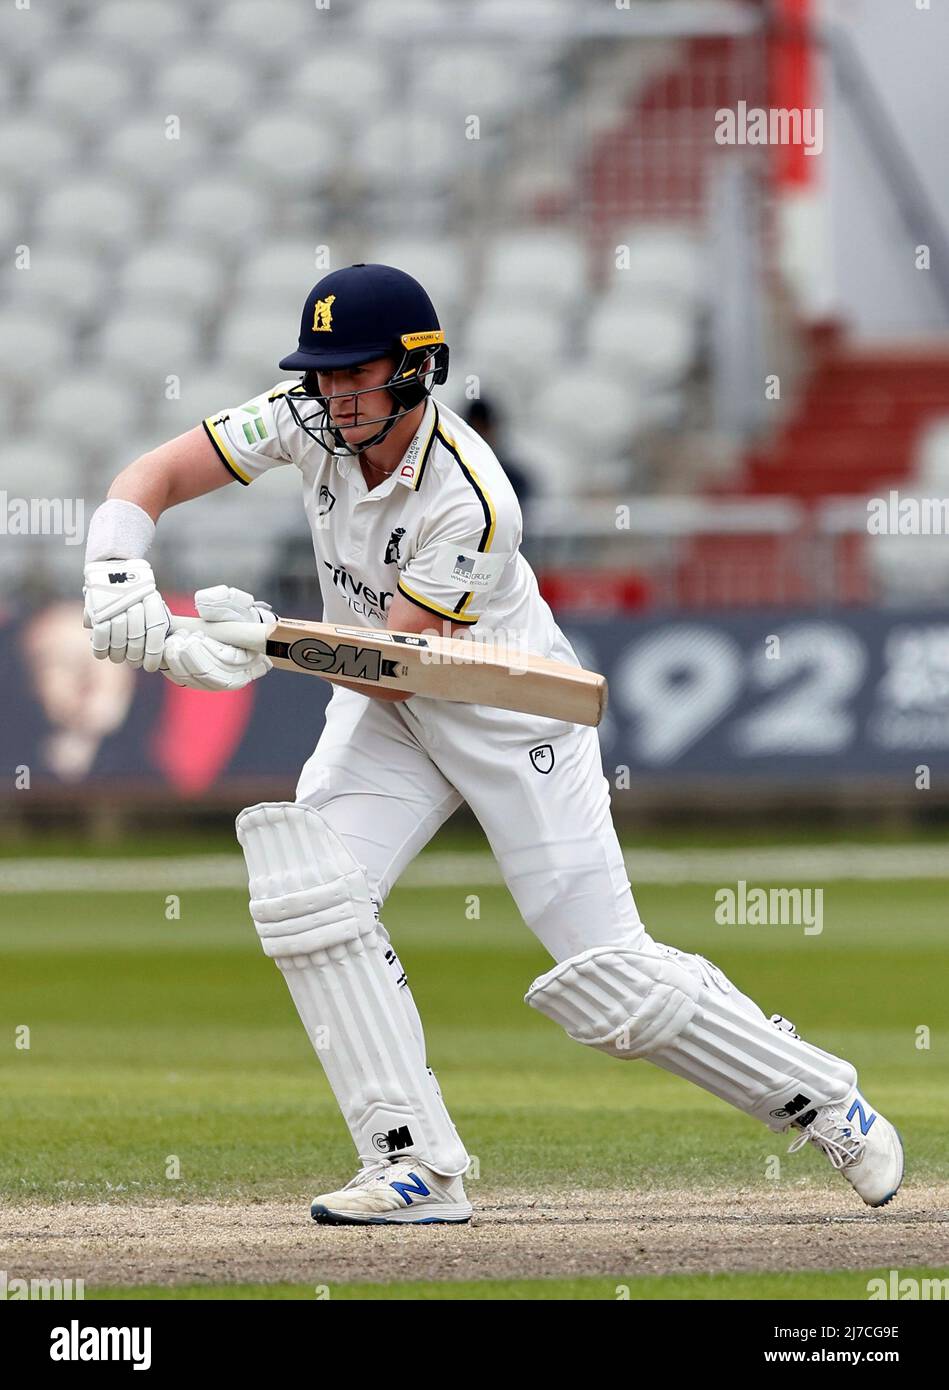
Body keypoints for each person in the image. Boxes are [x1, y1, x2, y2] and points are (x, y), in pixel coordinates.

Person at [82, 263, 903, 1225]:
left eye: (359, 373)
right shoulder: (305, 418)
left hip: (507, 718)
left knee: (611, 983)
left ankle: (823, 1099)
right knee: (307, 891)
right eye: (324, 373)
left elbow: (397, 656)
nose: (337, 395)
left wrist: (253, 644)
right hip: (390, 706)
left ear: (416, 369)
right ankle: (413, 1166)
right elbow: (158, 474)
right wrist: (112, 563)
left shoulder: (472, 499)